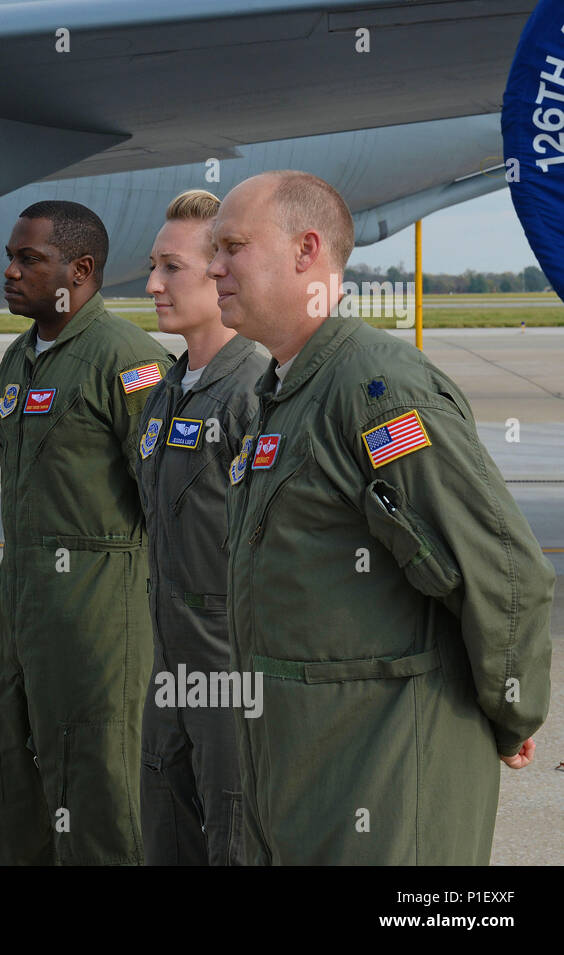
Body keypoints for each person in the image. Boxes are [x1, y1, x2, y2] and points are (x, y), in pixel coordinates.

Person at [211, 170, 554, 864]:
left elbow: (505, 568)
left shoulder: (377, 390)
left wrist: (513, 706)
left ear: (306, 251)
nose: (213, 265)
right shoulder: (279, 392)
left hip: (389, 786)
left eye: (232, 246)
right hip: (306, 781)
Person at [0, 200, 172, 865]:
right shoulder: (18, 359)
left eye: (28, 259)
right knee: (13, 785)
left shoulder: (127, 361)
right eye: (9, 256)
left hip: (99, 615)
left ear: (80, 269)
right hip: (23, 606)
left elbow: (169, 503)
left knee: (99, 792)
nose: (9, 271)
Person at [133, 190, 267, 865]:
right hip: (169, 660)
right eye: (152, 266)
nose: (152, 284)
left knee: (236, 838)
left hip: (233, 669)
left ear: (220, 273)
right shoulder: (166, 390)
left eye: (171, 268)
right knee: (165, 831)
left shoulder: (256, 393)